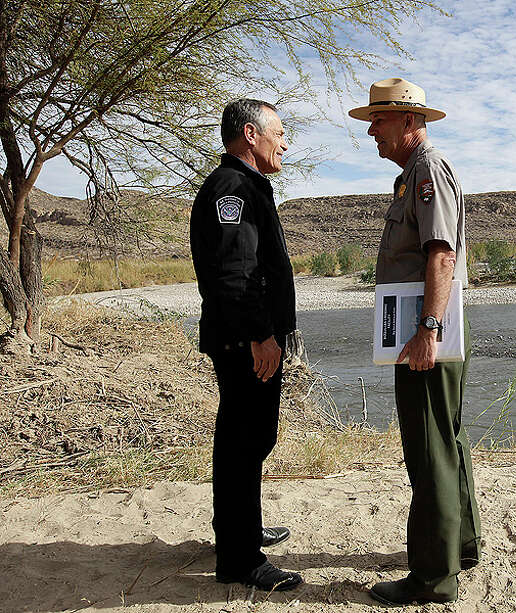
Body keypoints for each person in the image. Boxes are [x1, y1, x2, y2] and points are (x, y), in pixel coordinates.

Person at [349, 77, 481, 605]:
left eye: (378, 120)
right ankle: (460, 548)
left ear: (409, 121)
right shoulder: (412, 174)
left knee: (428, 450)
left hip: (425, 336)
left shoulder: (427, 170)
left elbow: (441, 255)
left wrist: (427, 331)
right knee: (445, 441)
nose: (372, 131)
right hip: (424, 333)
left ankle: (432, 577)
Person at [189, 98, 302, 592]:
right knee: (242, 441)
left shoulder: (246, 186)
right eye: (278, 132)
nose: (284, 142)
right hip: (243, 341)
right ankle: (240, 559)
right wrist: (260, 335)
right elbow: (237, 274)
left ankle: (240, 533)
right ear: (250, 135)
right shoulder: (232, 189)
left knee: (250, 439)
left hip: (245, 337)